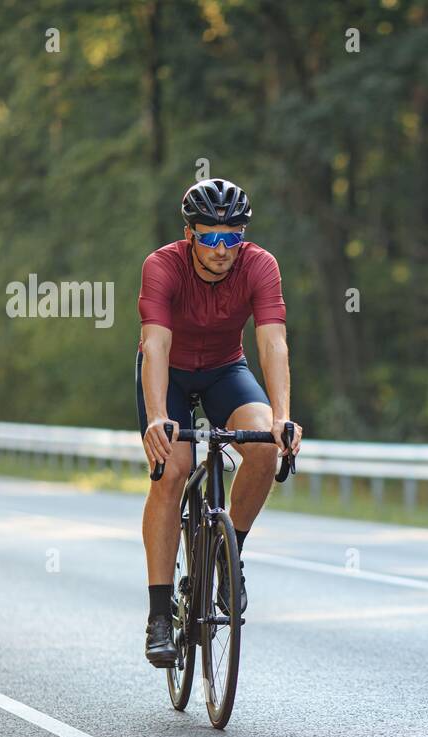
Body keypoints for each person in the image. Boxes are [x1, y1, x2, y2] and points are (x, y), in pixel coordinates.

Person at [135, 178, 302, 667]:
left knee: (265, 445)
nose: (223, 248)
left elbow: (273, 342)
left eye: (233, 237)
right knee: (174, 468)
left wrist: (284, 417)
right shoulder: (161, 266)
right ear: (190, 234)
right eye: (211, 237)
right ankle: (161, 616)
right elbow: (156, 345)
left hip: (226, 370)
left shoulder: (260, 265)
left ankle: (231, 559)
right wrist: (159, 418)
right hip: (169, 373)